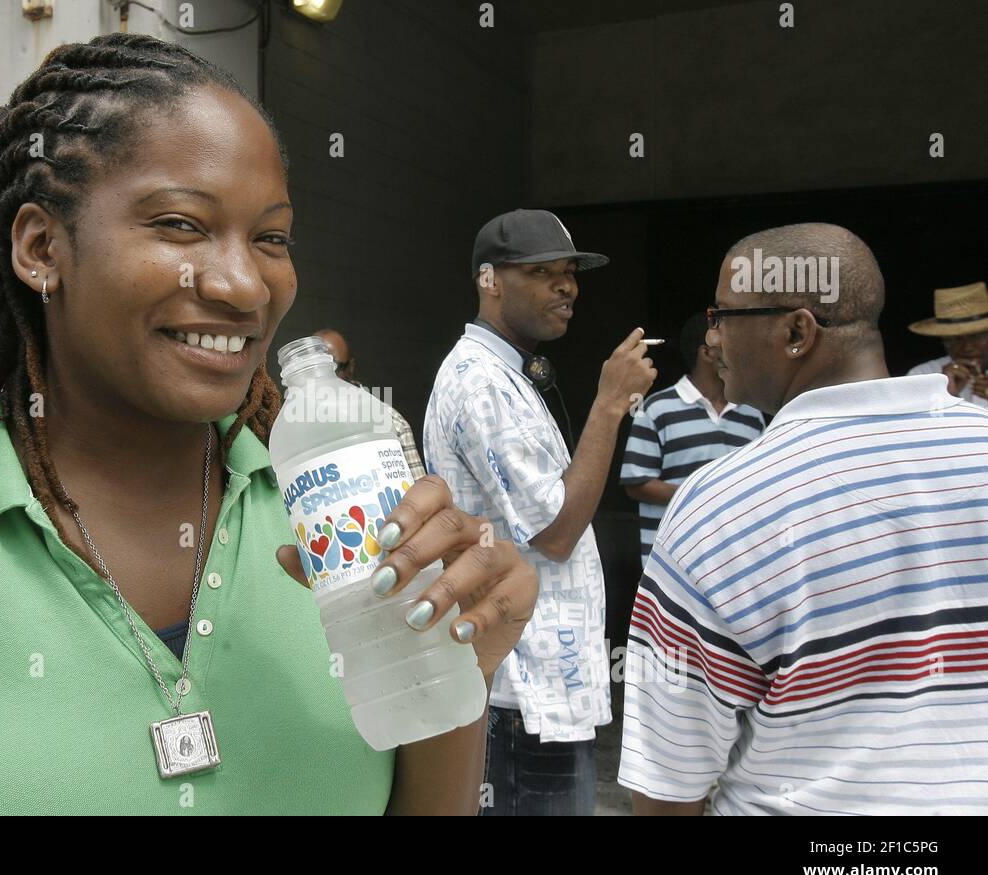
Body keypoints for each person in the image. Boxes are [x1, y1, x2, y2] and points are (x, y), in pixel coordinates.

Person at [0, 33, 537, 816]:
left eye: (271, 237)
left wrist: (458, 664)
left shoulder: (335, 515)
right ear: (41, 246)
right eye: (181, 224)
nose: (245, 284)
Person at [619, 223, 988, 815]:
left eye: (723, 316)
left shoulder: (721, 504)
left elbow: (668, 779)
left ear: (796, 331)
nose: (712, 339)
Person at [423, 208, 656, 815]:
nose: (567, 286)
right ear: (489, 280)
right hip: (518, 691)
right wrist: (609, 403)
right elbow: (554, 533)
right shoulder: (481, 384)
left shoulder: (509, 374)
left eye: (570, 273)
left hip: (545, 685)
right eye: (542, 271)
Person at [620, 312, 764, 567]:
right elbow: (636, 483)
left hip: (738, 564)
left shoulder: (752, 414)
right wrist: (705, 498)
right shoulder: (656, 408)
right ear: (707, 353)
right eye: (733, 343)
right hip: (672, 564)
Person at [313, 327, 426, 480]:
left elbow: (420, 491)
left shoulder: (391, 422)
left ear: (350, 367)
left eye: (335, 368)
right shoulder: (295, 422)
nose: (325, 377)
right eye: (315, 369)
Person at [906, 281, 988, 409]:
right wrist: (945, 396)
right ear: (944, 341)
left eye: (976, 337)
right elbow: (912, 425)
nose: (967, 347)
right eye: (956, 339)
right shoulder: (922, 376)